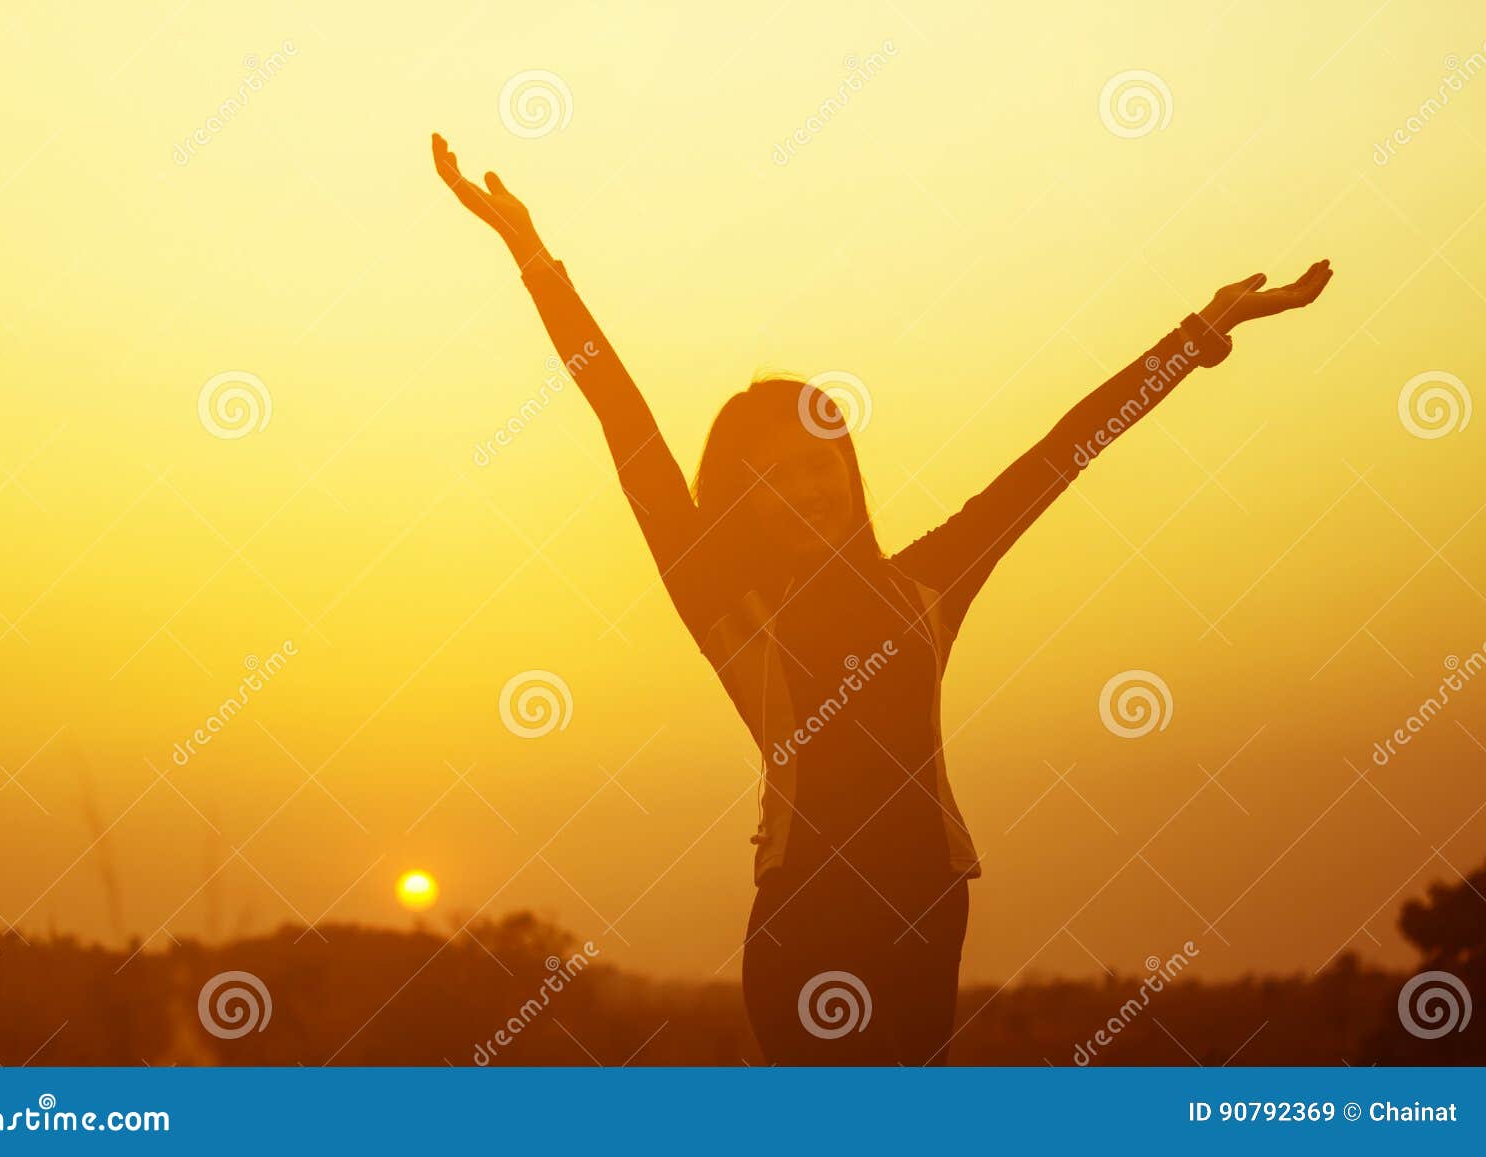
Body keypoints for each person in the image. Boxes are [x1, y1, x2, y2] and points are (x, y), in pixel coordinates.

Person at [432, 132, 1333, 1064]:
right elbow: (623, 419)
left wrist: (1197, 338)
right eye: (771, 479)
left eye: (819, 464)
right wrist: (533, 259)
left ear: (849, 468)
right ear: (740, 502)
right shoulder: (725, 603)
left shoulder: (925, 584)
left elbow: (1061, 453)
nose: (806, 491)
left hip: (931, 915)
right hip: (802, 931)